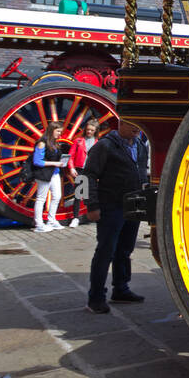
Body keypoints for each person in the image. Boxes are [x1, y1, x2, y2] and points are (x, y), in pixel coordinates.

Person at [82, 119, 150, 313]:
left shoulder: (140, 146)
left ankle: (121, 289)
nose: (136, 128)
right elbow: (85, 176)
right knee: (105, 251)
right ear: (120, 125)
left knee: (125, 250)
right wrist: (90, 205)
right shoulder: (104, 146)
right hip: (110, 206)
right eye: (132, 125)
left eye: (138, 125)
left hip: (132, 206)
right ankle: (95, 297)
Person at [31, 121, 68, 233]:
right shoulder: (42, 143)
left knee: (57, 196)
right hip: (44, 173)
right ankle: (39, 224)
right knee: (41, 198)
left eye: (60, 132)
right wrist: (55, 163)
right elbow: (37, 161)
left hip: (54, 173)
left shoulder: (54, 143)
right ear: (51, 130)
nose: (59, 134)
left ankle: (51, 220)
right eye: (58, 131)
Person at [66, 119, 100, 226]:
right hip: (80, 169)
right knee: (78, 194)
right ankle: (76, 218)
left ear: (95, 131)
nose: (89, 131)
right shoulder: (78, 141)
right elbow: (70, 156)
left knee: (91, 194)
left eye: (92, 130)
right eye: (88, 129)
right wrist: (71, 168)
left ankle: (91, 216)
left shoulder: (98, 142)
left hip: (92, 171)